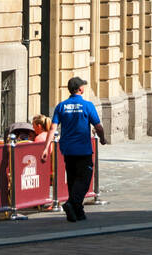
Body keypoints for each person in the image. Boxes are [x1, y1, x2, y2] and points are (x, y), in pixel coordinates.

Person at [41, 77, 107, 220]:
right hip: (83, 149)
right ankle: (71, 203)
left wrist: (46, 148)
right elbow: (98, 126)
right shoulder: (87, 105)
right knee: (84, 179)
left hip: (68, 150)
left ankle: (77, 212)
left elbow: (53, 128)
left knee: (72, 179)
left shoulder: (61, 106)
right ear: (80, 89)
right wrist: (102, 139)